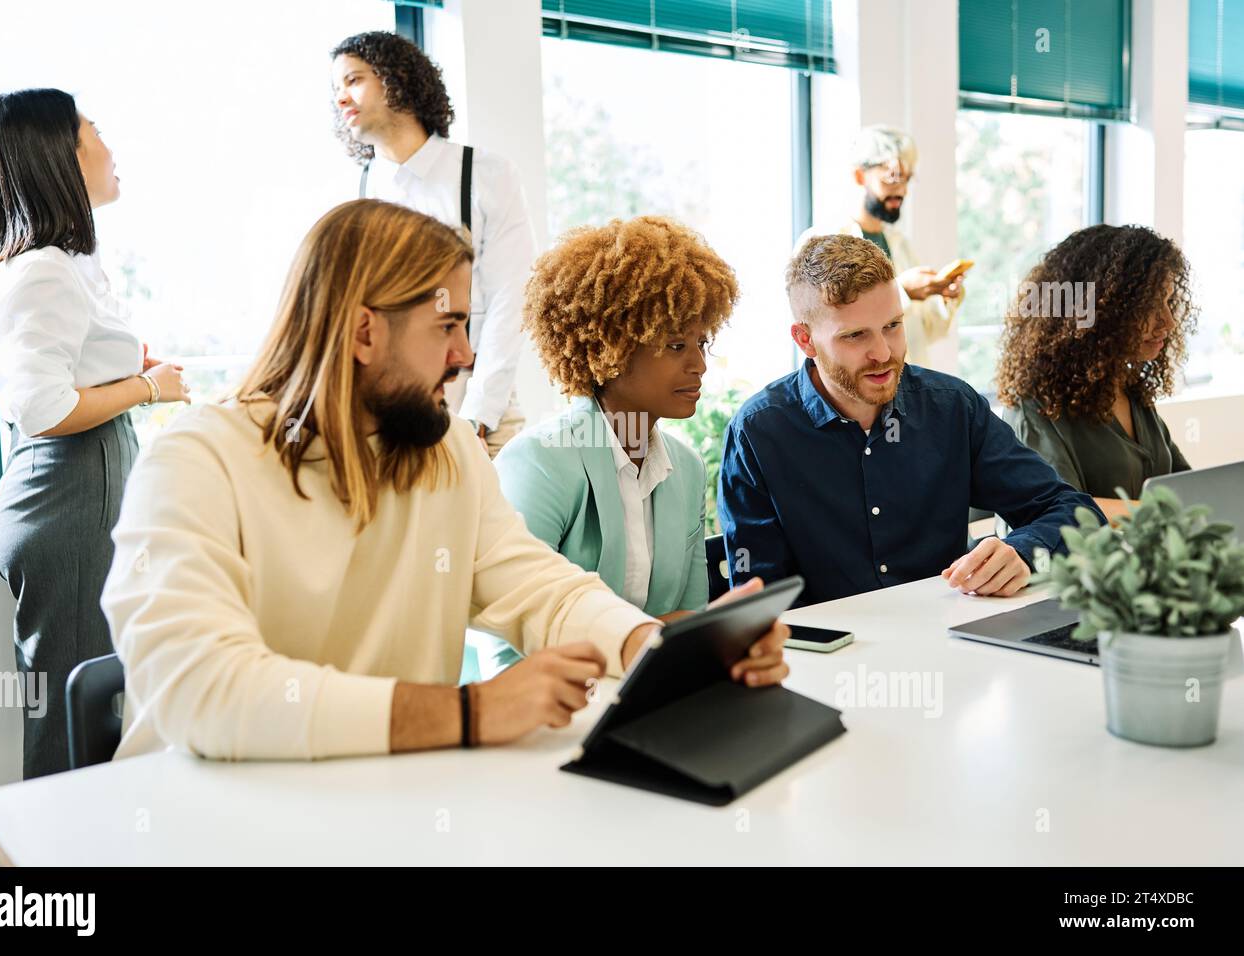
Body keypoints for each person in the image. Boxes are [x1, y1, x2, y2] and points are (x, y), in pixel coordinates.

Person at [100, 200, 789, 761]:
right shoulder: (196, 461)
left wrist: (663, 653)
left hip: (385, 808)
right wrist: (468, 711)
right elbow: (201, 689)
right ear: (365, 332)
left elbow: (542, 590)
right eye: (448, 325)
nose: (464, 356)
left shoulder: (448, 455)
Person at [0, 88, 189, 778]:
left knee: (80, 707)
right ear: (62, 153)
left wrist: (123, 372)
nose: (112, 147)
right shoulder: (44, 273)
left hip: (65, 499)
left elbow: (54, 375)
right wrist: (150, 388)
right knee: (74, 717)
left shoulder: (36, 266)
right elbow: (44, 408)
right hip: (66, 499)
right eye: (96, 130)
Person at [718, 234, 1102, 609]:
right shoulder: (758, 432)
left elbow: (1075, 512)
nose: (883, 353)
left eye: (892, 326)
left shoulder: (953, 408)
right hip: (825, 660)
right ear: (804, 340)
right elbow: (760, 602)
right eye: (855, 336)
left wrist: (1022, 552)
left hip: (952, 644)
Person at [486, 217, 737, 675]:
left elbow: (691, 619)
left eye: (702, 343)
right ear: (612, 347)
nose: (699, 364)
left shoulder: (685, 467)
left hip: (649, 697)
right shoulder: (539, 464)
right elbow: (504, 648)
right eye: (676, 344)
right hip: (553, 713)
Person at [331, 30, 533, 457]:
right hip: (386, 408)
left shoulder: (485, 175)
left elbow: (511, 299)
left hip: (479, 403)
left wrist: (479, 414)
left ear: (396, 77)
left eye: (353, 80)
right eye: (336, 89)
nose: (341, 98)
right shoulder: (357, 192)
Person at [998, 224, 1195, 522]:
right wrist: (1155, 514)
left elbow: (1187, 488)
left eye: (1168, 302)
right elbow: (1057, 512)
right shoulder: (1035, 410)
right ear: (1099, 313)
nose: (1167, 322)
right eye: (1148, 307)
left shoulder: (1129, 390)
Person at [795, 125, 963, 368]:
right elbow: (828, 321)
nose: (902, 190)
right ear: (860, 176)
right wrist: (901, 290)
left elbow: (924, 334)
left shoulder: (900, 245)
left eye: (906, 179)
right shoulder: (821, 241)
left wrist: (945, 297)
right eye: (892, 178)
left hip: (902, 388)